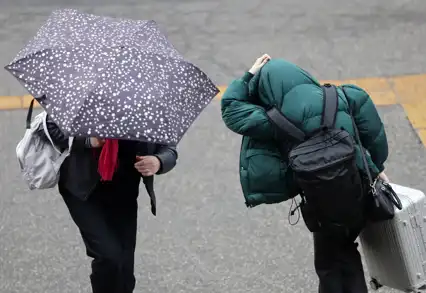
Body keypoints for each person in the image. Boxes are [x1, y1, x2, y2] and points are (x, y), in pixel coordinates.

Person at [221, 54, 389, 293]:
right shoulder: (345, 95)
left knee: (330, 261)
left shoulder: (274, 119)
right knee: (345, 249)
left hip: (320, 201)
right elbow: (374, 137)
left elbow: (231, 108)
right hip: (358, 189)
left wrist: (249, 76)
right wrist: (378, 168)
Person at [38, 115, 178, 293]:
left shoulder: (147, 105)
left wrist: (159, 161)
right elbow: (49, 129)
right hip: (83, 190)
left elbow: (169, 149)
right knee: (109, 256)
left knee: (124, 268)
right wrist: (89, 141)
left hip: (124, 191)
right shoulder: (85, 95)